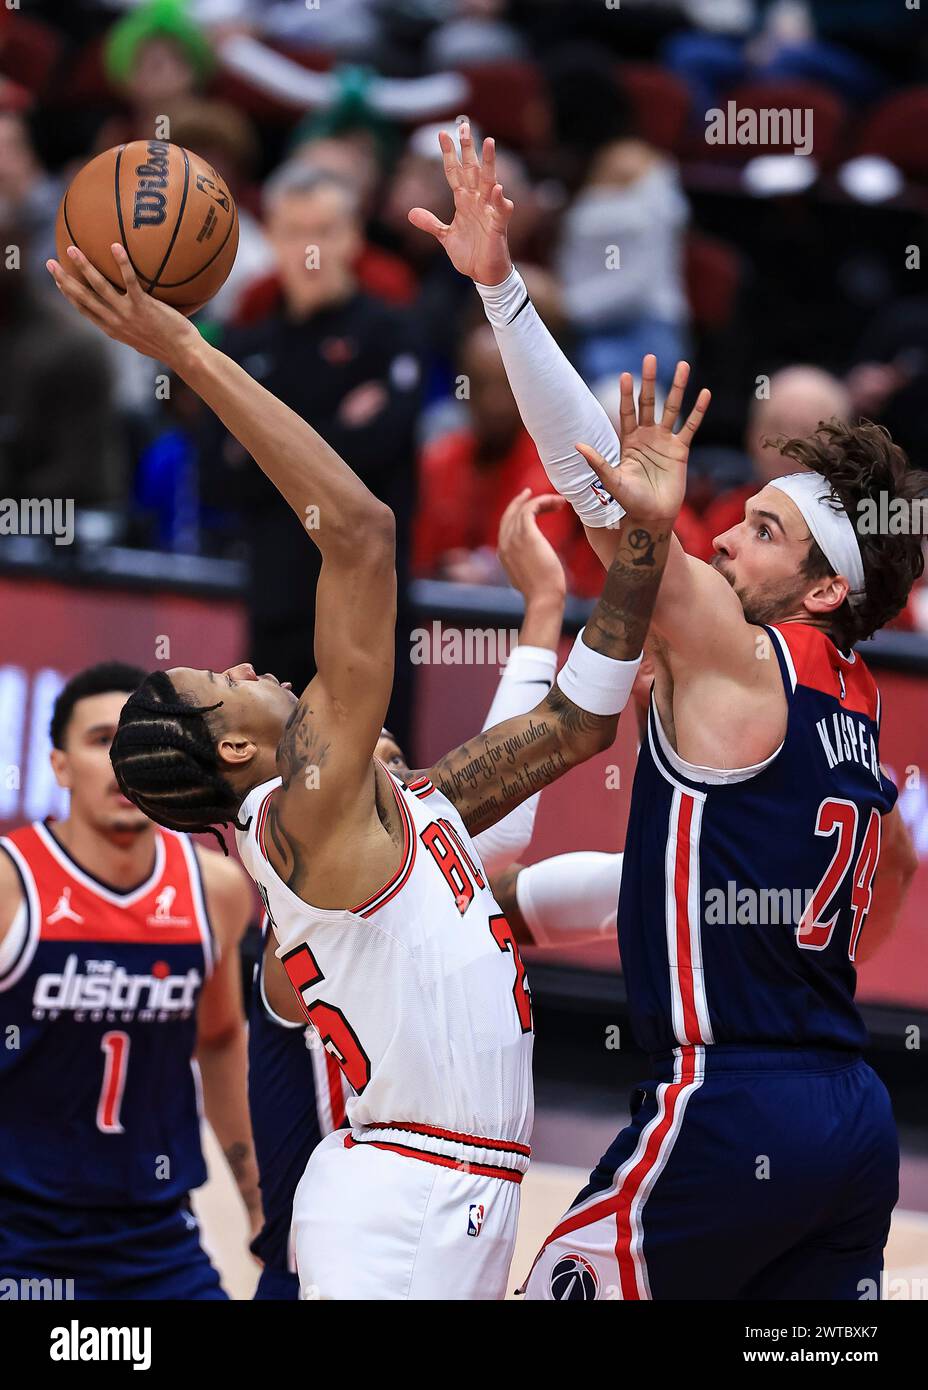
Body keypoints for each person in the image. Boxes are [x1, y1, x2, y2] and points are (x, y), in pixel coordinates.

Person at [47, 235, 708, 1300]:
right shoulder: (296, 820)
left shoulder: (384, 808)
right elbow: (358, 531)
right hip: (399, 1203)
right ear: (232, 748)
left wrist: (642, 536)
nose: (254, 664)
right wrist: (186, 346)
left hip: (457, 1191)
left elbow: (579, 724)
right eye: (229, 678)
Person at [410, 121, 921, 1301]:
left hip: (727, 1102)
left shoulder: (746, 656)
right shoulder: (853, 703)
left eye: (762, 532)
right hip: (849, 1120)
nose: (728, 538)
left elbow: (598, 495)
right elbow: (871, 876)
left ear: (827, 587)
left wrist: (501, 294)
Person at [0, 663, 258, 1300]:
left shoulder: (216, 888)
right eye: (98, 742)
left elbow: (221, 1041)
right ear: (58, 767)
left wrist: (257, 1202)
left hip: (157, 1235)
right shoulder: (11, 885)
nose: (119, 761)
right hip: (19, 1237)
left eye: (134, 740)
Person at [200, 162, 421, 749]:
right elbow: (218, 479)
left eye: (324, 229)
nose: (309, 248)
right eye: (294, 231)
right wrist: (332, 432)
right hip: (275, 596)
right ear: (271, 237)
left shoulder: (389, 335)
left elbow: (378, 450)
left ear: (353, 239)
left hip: (371, 606)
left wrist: (265, 447)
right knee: (272, 766)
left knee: (381, 766)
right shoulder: (247, 347)